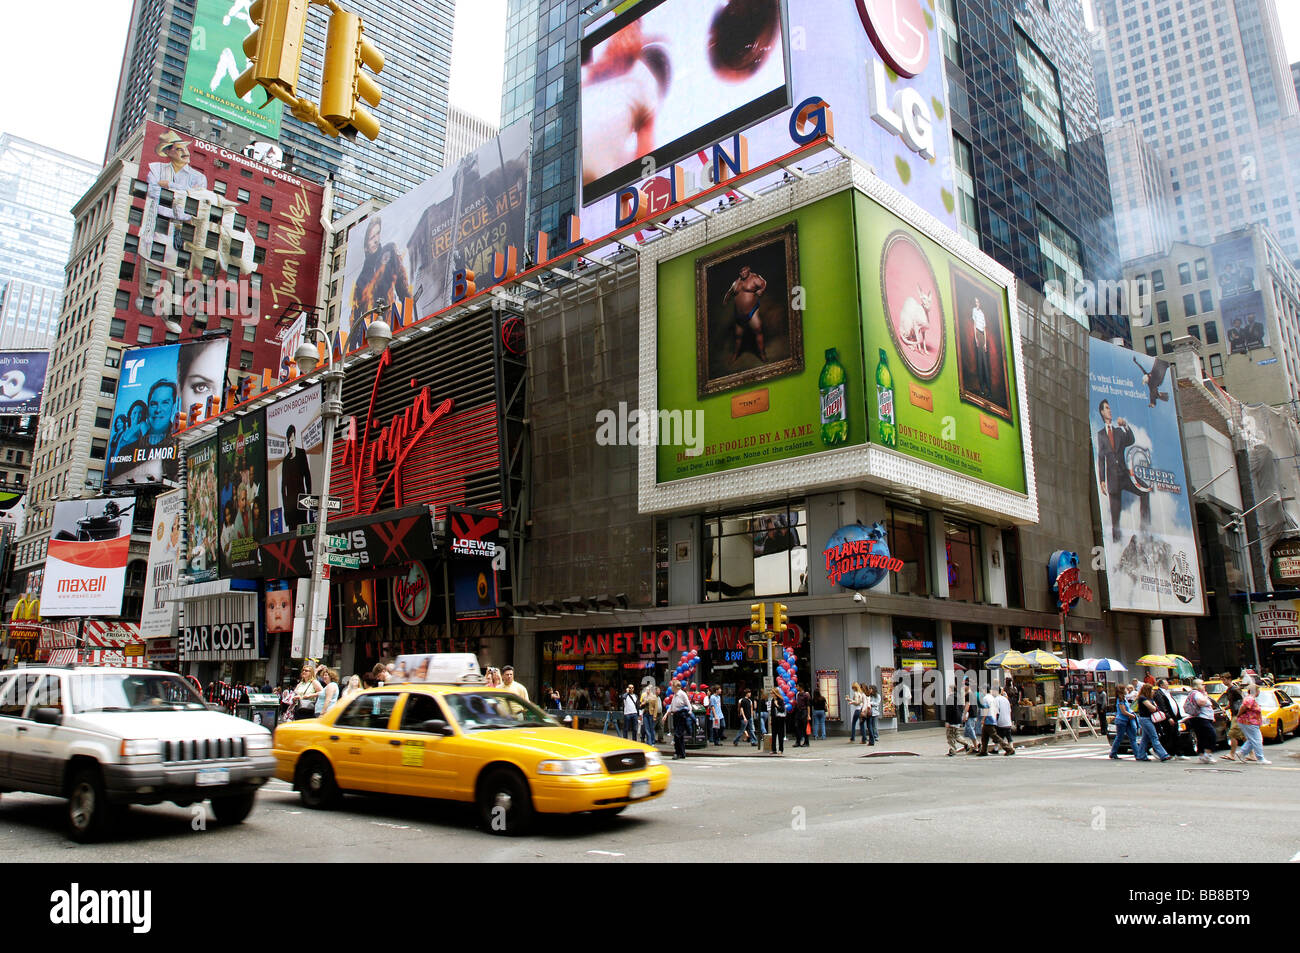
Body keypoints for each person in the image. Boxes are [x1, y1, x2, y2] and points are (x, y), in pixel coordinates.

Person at [348, 215, 411, 350]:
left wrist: (410, 321)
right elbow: (355, 318)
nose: (376, 240)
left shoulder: (389, 253)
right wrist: (351, 351)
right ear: (366, 246)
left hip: (391, 329)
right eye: (372, 238)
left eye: (377, 234)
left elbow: (403, 289)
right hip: (370, 338)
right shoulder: (361, 280)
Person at [1095, 398, 1151, 542]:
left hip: (1124, 475)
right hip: (1113, 478)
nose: (1110, 410)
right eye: (1107, 408)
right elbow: (1101, 458)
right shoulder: (1101, 435)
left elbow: (1130, 440)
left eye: (1109, 407)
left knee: (1144, 490)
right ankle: (1116, 542)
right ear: (1102, 412)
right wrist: (1102, 480)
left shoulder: (1119, 431)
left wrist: (1125, 425)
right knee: (1115, 516)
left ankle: (1145, 527)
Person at [724, 264, 769, 363]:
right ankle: (735, 354)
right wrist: (726, 299)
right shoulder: (736, 282)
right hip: (739, 315)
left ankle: (762, 354)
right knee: (738, 336)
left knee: (758, 331)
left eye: (744, 270)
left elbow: (764, 283)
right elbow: (729, 292)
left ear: (748, 269)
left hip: (752, 312)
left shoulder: (754, 278)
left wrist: (761, 290)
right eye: (741, 271)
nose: (742, 273)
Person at [279, 424, 313, 532]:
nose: (290, 444)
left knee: (305, 532)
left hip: (301, 503)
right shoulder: (285, 461)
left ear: (295, 439)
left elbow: (307, 478)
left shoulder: (301, 454)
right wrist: (286, 510)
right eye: (288, 442)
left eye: (292, 441)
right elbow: (283, 488)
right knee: (293, 536)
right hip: (290, 508)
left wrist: (308, 501)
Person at [1133, 684, 1172, 762]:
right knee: (1154, 737)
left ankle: (1140, 755)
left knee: (1145, 738)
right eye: (1151, 690)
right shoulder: (1142, 698)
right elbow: (1152, 708)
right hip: (1145, 719)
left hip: (1148, 719)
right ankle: (1163, 754)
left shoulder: (1148, 698)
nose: (1153, 691)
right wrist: (1155, 708)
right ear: (1147, 690)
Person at [1184, 678, 1218, 764]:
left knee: (1202, 737)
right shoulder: (1197, 694)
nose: (1204, 686)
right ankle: (1207, 755)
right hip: (1202, 718)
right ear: (1198, 686)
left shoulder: (1197, 693)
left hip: (1202, 718)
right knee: (1210, 735)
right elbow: (1201, 702)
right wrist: (1206, 696)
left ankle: (1203, 756)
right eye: (1202, 684)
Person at [1236, 683, 1269, 764]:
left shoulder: (1250, 698)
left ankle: (1241, 753)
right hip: (1249, 722)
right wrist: (1239, 714)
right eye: (1258, 690)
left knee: (1252, 739)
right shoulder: (1250, 699)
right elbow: (1244, 707)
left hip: (1250, 722)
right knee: (1257, 740)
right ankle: (1260, 758)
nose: (1259, 692)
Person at [970, 296, 993, 398]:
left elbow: (984, 329)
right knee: (979, 363)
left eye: (978, 302)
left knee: (985, 363)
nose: (977, 303)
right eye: (975, 302)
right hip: (978, 335)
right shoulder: (974, 310)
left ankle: (988, 388)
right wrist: (975, 338)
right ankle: (982, 389)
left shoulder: (982, 314)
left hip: (982, 336)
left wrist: (985, 343)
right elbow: (974, 325)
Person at [1153, 678, 1182, 756]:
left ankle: (1178, 753)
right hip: (1167, 718)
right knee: (1169, 735)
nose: (1168, 685)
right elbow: (1163, 707)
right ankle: (1169, 752)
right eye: (1166, 684)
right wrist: (1168, 717)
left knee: (1175, 734)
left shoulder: (1167, 693)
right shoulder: (1159, 694)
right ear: (1161, 685)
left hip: (1174, 716)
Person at [979, 688, 1012, 756]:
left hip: (988, 719)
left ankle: (1008, 748)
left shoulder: (985, 698)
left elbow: (986, 709)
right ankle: (983, 750)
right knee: (984, 736)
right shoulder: (992, 698)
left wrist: (983, 719)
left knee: (995, 736)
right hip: (992, 718)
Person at [1108, 687, 1138, 759]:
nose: (1126, 690)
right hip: (1121, 721)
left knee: (1132, 737)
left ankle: (1137, 754)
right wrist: (1131, 715)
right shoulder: (1120, 700)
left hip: (1127, 720)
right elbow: (1123, 711)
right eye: (1125, 689)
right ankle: (1113, 752)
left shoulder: (1124, 699)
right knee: (1119, 737)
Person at [944, 687, 975, 756]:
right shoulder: (959, 698)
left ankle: (952, 750)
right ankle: (968, 745)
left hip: (952, 720)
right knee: (956, 735)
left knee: (950, 736)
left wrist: (947, 721)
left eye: (949, 689)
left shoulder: (950, 698)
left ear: (951, 690)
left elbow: (948, 710)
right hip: (957, 719)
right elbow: (961, 708)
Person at [667, 679, 691, 760]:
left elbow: (688, 704)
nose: (671, 688)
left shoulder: (682, 694)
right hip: (675, 715)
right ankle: (682, 753)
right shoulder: (675, 695)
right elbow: (672, 705)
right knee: (680, 736)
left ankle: (677, 752)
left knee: (677, 735)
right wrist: (666, 714)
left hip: (681, 715)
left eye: (672, 686)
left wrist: (689, 713)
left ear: (675, 686)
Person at [995, 686, 1017, 755]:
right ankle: (1011, 747)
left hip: (1000, 721)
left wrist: (995, 721)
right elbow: (1009, 710)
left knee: (998, 736)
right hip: (1007, 721)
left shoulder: (996, 699)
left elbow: (996, 712)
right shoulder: (1005, 699)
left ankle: (997, 748)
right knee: (1008, 736)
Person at [768, 689, 788, 755]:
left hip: (780, 720)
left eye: (772, 693)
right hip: (774, 719)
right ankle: (774, 749)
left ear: (775, 693)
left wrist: (777, 705)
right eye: (771, 693)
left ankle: (780, 749)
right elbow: (771, 711)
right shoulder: (772, 700)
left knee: (780, 735)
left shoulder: (780, 700)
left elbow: (782, 709)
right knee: (774, 735)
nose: (771, 695)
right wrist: (770, 719)